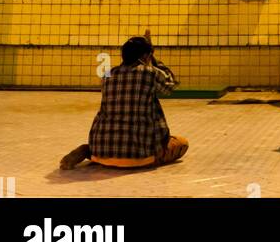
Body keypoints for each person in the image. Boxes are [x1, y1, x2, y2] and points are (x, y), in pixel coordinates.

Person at [59, 31, 188, 170]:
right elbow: (170, 85)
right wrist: (153, 58)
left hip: (101, 151)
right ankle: (145, 154)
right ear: (146, 56)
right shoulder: (150, 72)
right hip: (139, 156)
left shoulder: (108, 75)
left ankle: (88, 150)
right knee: (182, 143)